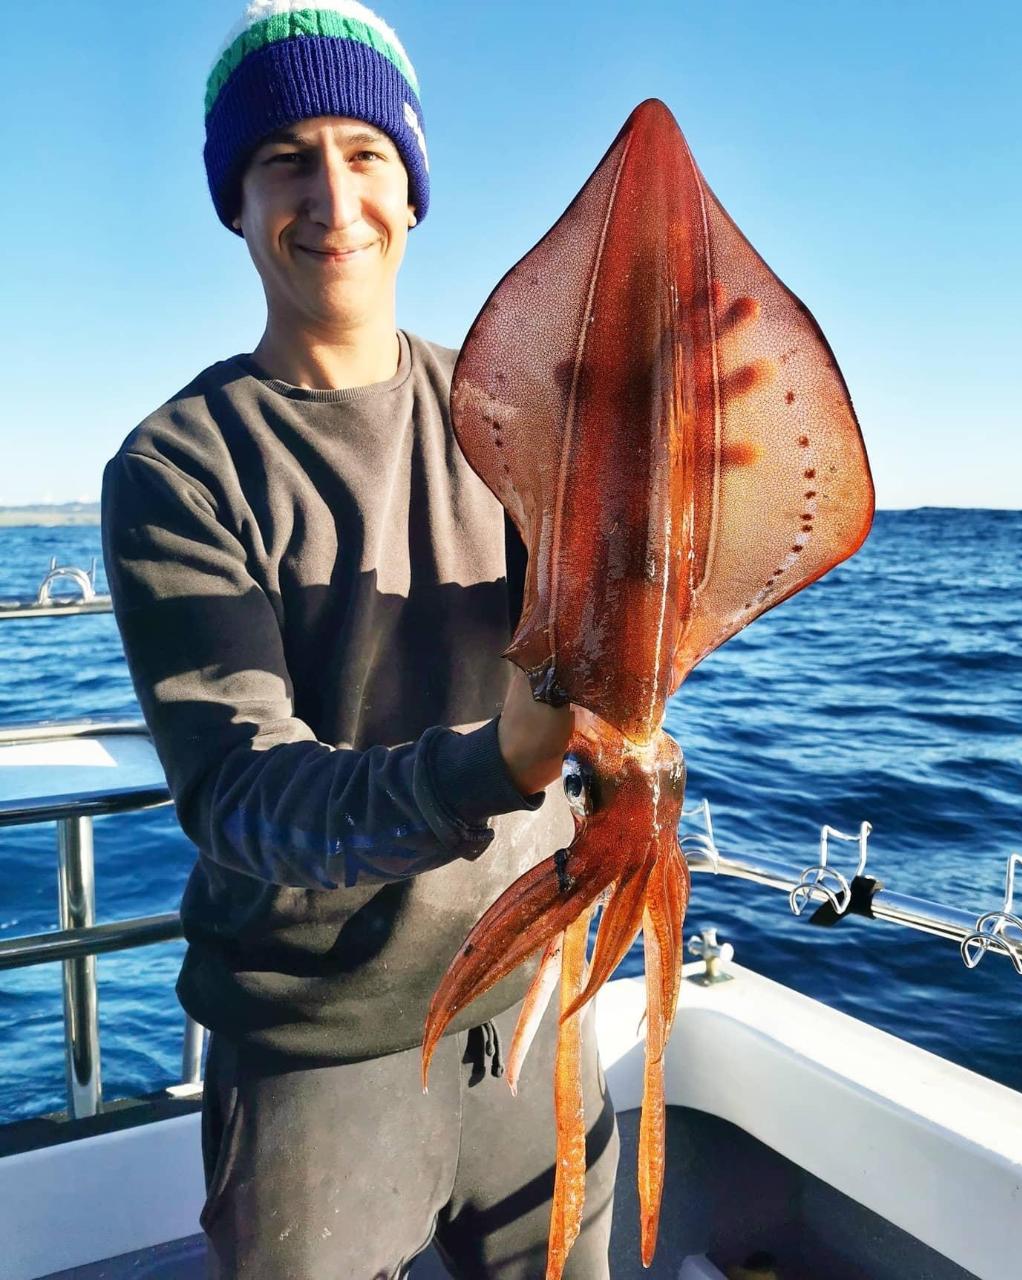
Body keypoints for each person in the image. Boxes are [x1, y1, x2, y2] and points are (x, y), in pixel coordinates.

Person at [100, 3, 619, 1277]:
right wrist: (494, 762)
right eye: (284, 156)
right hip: (318, 1047)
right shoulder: (180, 466)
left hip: (535, 1001)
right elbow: (241, 793)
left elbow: (611, 636)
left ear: (413, 184)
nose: (331, 195)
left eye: (363, 151)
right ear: (234, 199)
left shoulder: (514, 412)